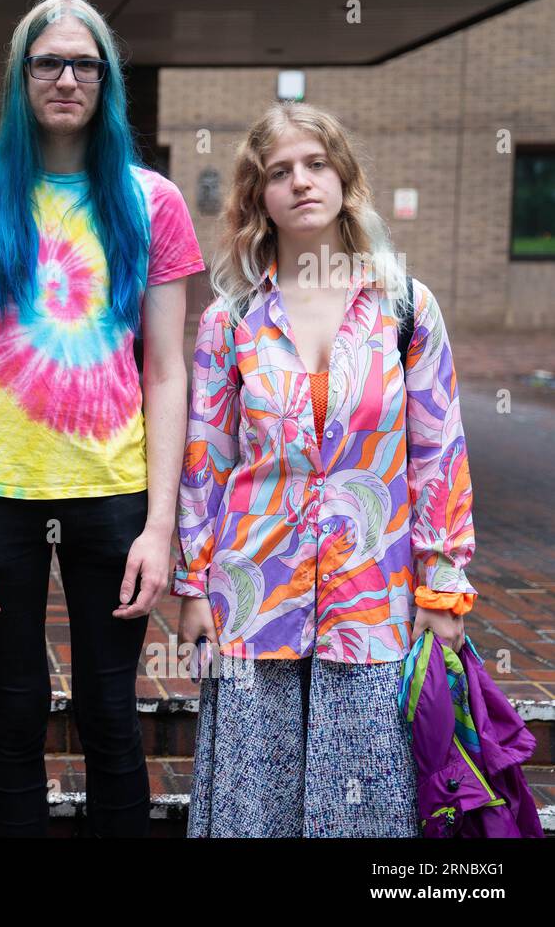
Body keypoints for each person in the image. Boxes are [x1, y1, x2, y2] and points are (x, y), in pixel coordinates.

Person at [0, 0, 204, 837]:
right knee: (18, 707)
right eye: (48, 61)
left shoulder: (153, 203)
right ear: (20, 76)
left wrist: (160, 523)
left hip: (115, 494)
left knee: (113, 710)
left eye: (84, 63)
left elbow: (168, 371)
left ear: (105, 80)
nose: (66, 77)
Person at [173, 101, 477, 837]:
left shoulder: (404, 307)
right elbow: (205, 458)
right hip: (252, 596)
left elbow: (439, 452)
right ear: (258, 198)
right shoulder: (231, 319)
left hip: (375, 599)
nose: (301, 182)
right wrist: (192, 586)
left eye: (316, 164)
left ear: (344, 178)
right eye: (279, 172)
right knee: (254, 808)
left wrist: (444, 581)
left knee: (365, 809)